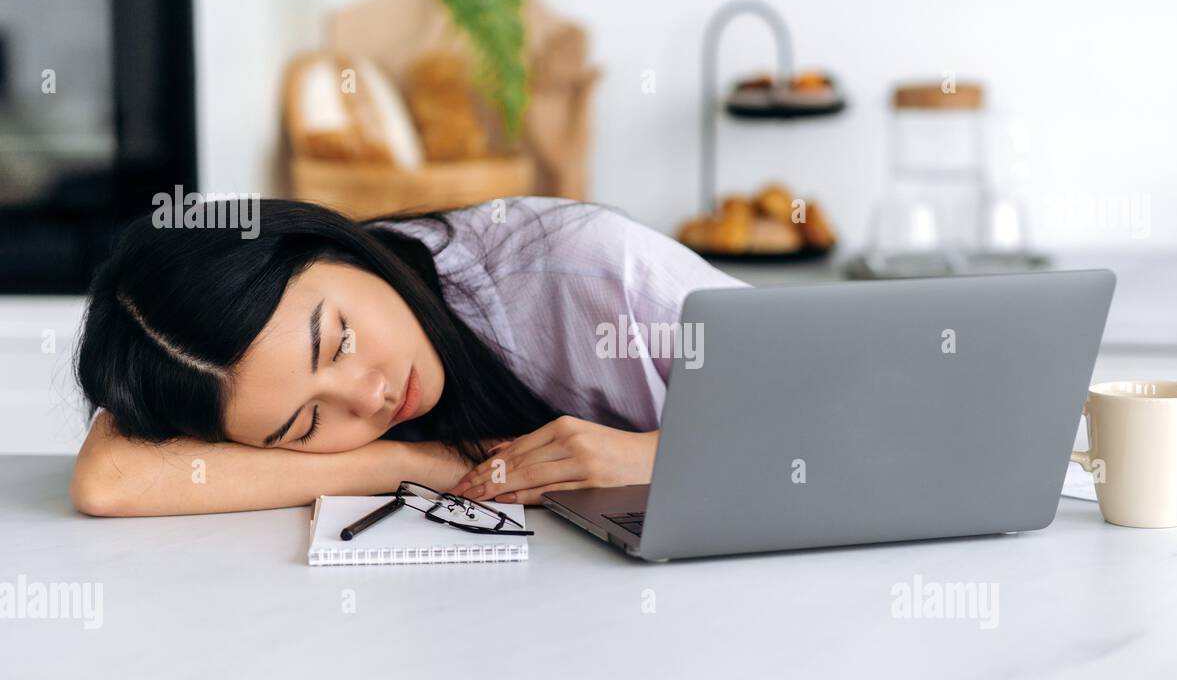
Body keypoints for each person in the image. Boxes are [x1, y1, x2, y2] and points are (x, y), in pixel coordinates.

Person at [69, 196, 746, 516]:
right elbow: (108, 478)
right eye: (306, 426)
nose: (371, 398)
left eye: (340, 340)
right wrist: (411, 463)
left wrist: (658, 459)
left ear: (331, 245)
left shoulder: (585, 266)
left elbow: (816, 391)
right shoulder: (257, 383)